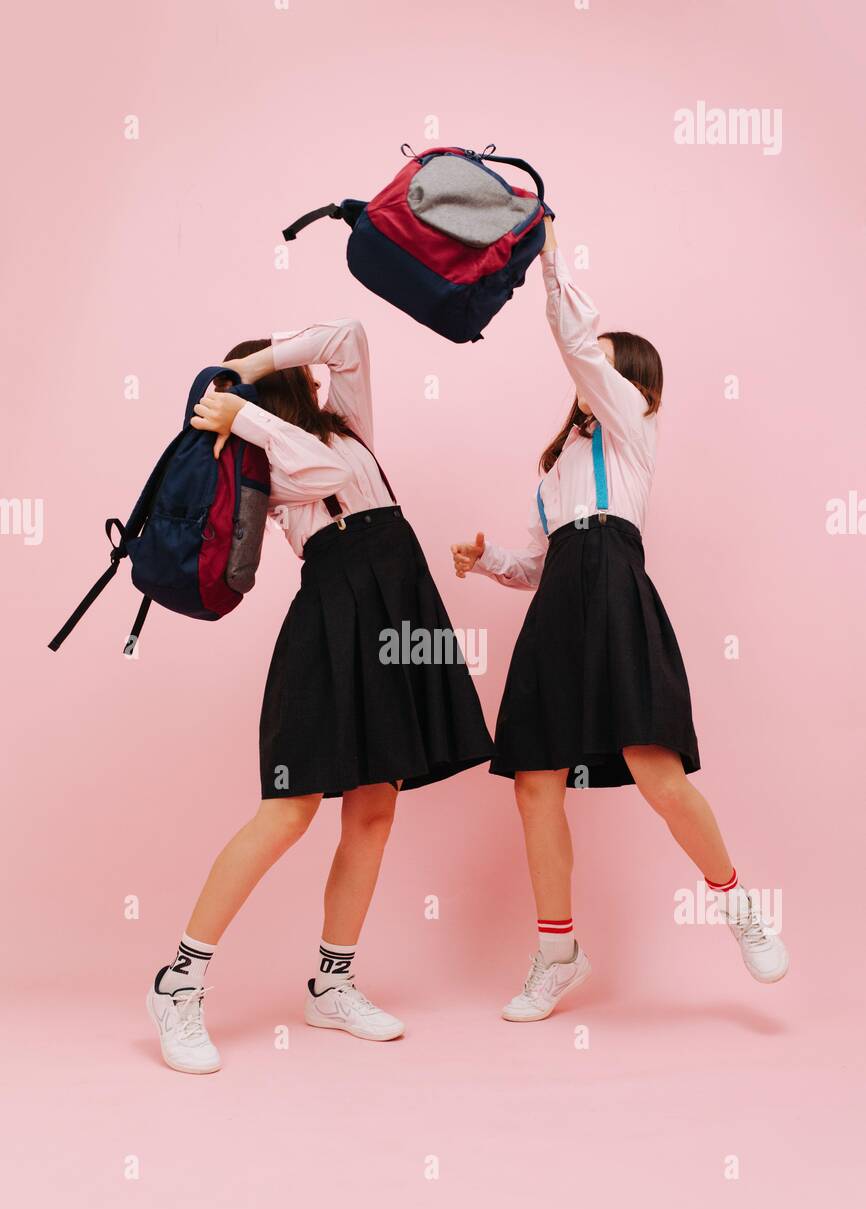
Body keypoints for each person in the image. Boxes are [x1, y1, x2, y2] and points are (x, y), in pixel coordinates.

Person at [452, 220, 788, 1022]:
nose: (587, 370)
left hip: (616, 592)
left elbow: (577, 350)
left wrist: (550, 262)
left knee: (655, 768)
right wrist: (490, 555)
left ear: (629, 379)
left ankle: (742, 910)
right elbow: (539, 565)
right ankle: (558, 953)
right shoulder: (556, 466)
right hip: (562, 601)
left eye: (601, 361)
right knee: (534, 783)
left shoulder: (634, 426)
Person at [148, 319, 493, 1071]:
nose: (310, 371)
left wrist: (261, 361)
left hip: (401, 600)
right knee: (289, 809)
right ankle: (179, 981)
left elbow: (350, 335)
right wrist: (248, 416)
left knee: (376, 805)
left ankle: (331, 985)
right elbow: (324, 477)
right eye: (290, 370)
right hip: (334, 611)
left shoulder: (347, 424)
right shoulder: (260, 456)